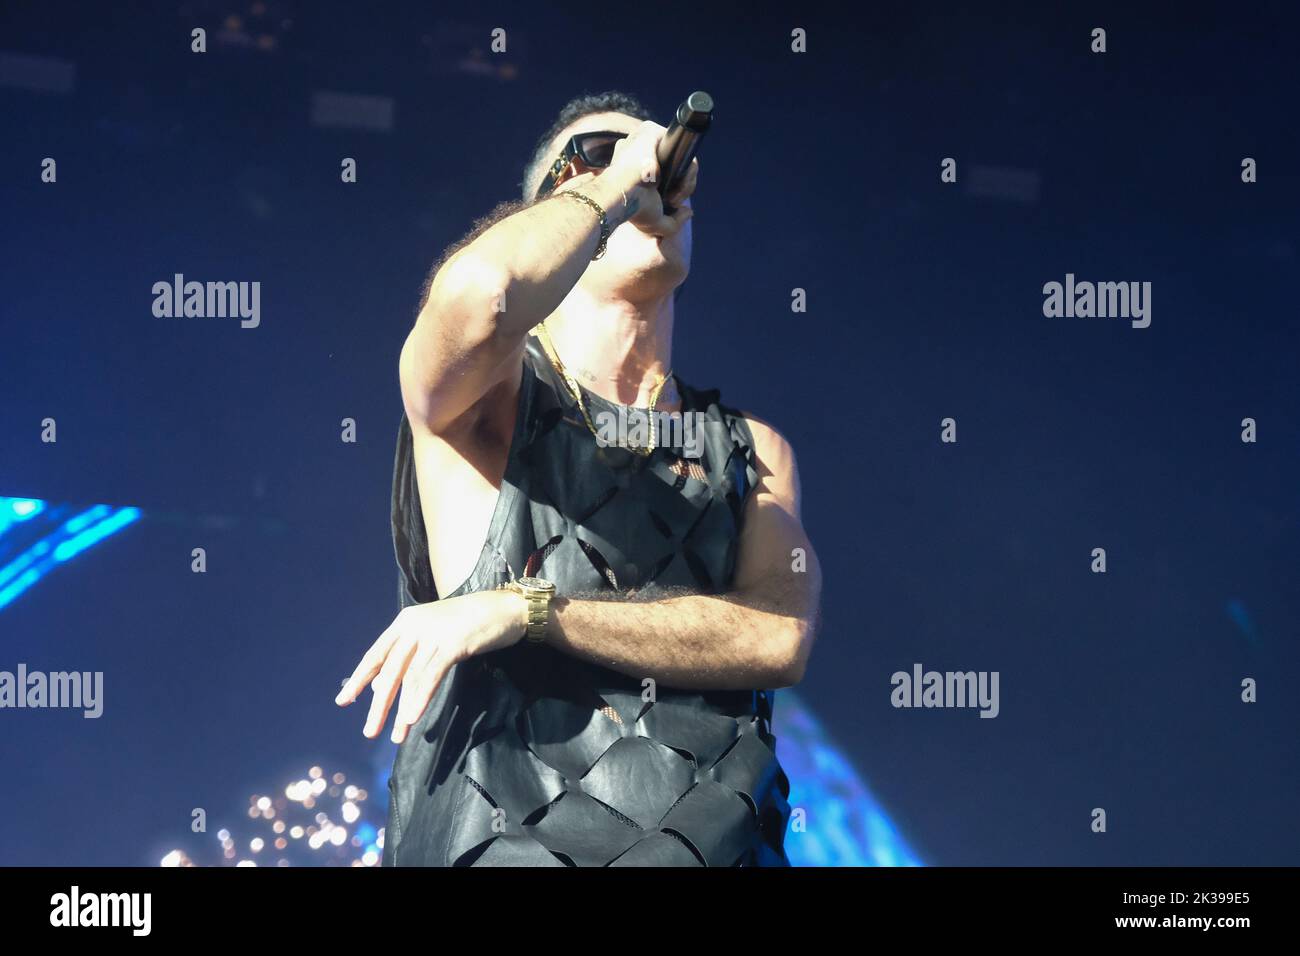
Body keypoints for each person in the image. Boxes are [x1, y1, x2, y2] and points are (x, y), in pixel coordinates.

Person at [336, 90, 822, 866]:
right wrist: (612, 184)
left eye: (664, 159)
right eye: (597, 152)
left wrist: (529, 609)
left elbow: (778, 634)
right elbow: (485, 294)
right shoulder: (482, 404)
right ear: (550, 215)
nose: (650, 168)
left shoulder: (753, 447)